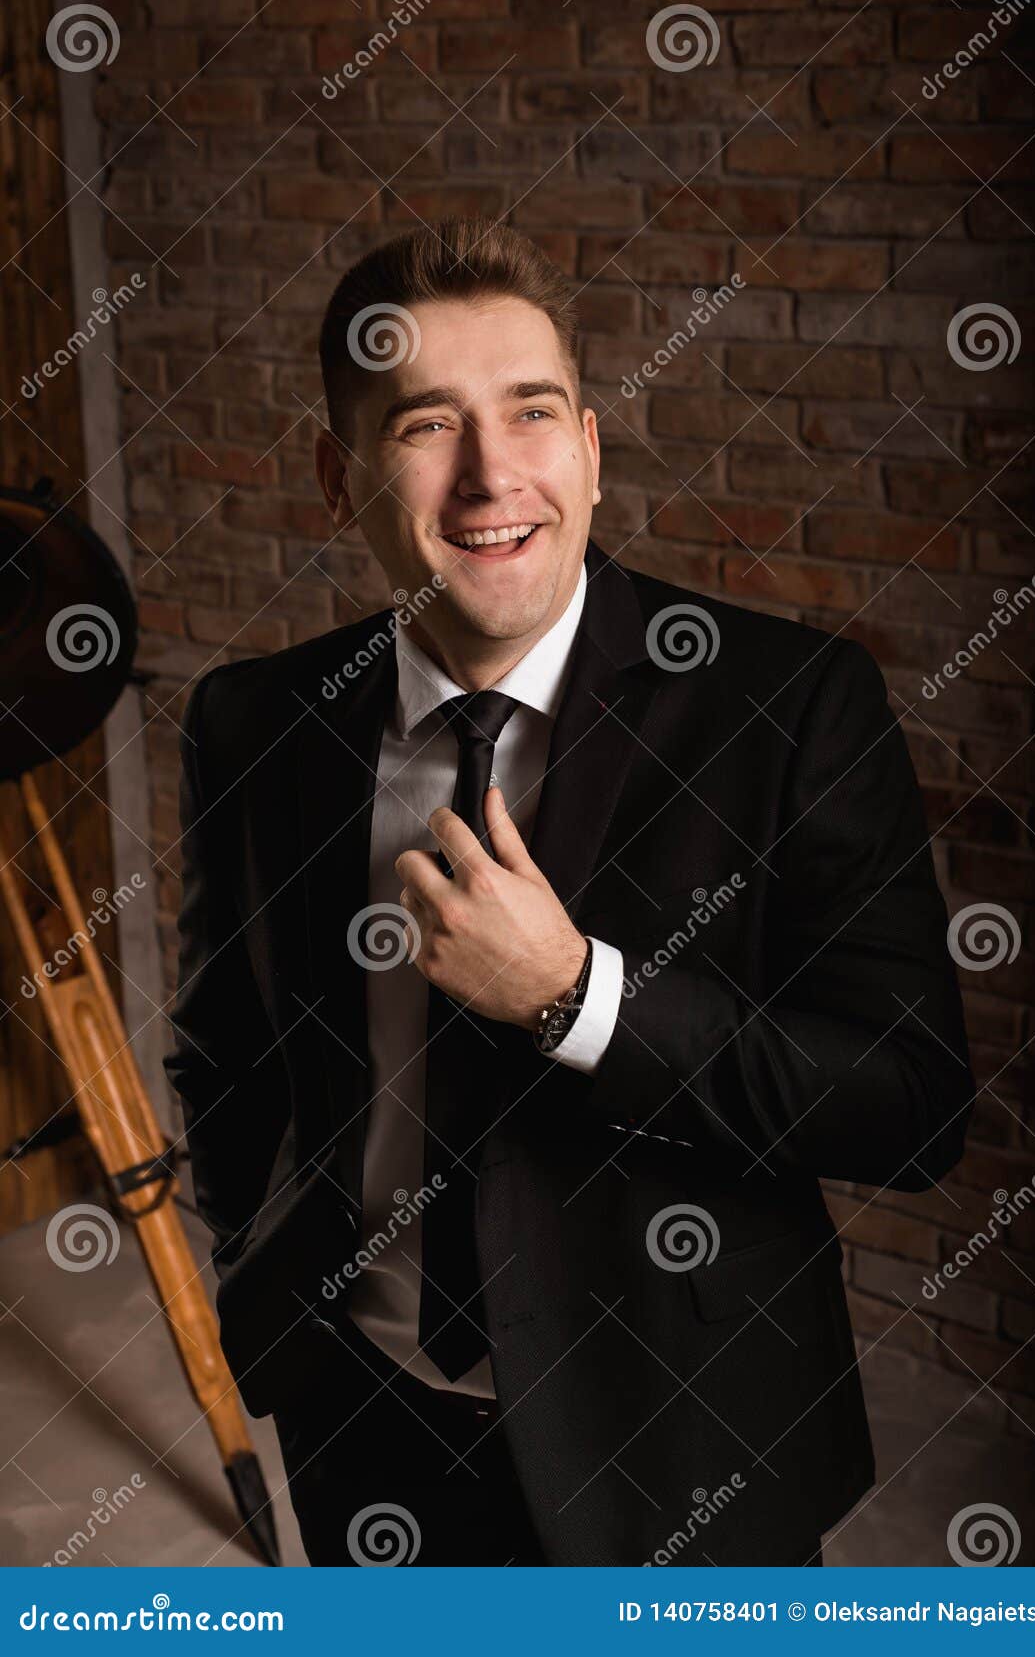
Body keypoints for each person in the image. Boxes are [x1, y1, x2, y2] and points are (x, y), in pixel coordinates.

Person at [164, 216, 975, 1567]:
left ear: (589, 451)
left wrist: (576, 997)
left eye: (532, 412)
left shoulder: (787, 707)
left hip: (685, 1445)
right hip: (366, 1427)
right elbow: (222, 1047)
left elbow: (910, 1102)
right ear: (337, 472)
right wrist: (264, 1259)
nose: (492, 475)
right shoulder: (253, 723)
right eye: (427, 424)